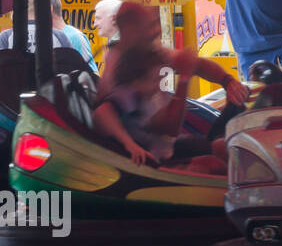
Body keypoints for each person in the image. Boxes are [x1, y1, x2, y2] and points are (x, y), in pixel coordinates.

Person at [94, 44, 225, 175]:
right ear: (137, 81)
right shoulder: (127, 94)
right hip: (149, 162)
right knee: (213, 165)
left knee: (221, 146)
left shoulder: (148, 98)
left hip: (165, 150)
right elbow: (102, 113)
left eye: (160, 79)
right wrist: (130, 144)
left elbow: (166, 126)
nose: (158, 86)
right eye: (155, 80)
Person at [98, 1, 249, 111]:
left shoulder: (150, 51)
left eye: (155, 24)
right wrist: (183, 81)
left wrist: (228, 81)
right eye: (148, 26)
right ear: (129, 28)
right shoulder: (120, 60)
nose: (155, 31)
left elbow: (198, 65)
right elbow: (167, 127)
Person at [0, 0, 90, 66]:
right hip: (51, 90)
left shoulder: (5, 37)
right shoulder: (59, 36)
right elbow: (73, 68)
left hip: (14, 90)